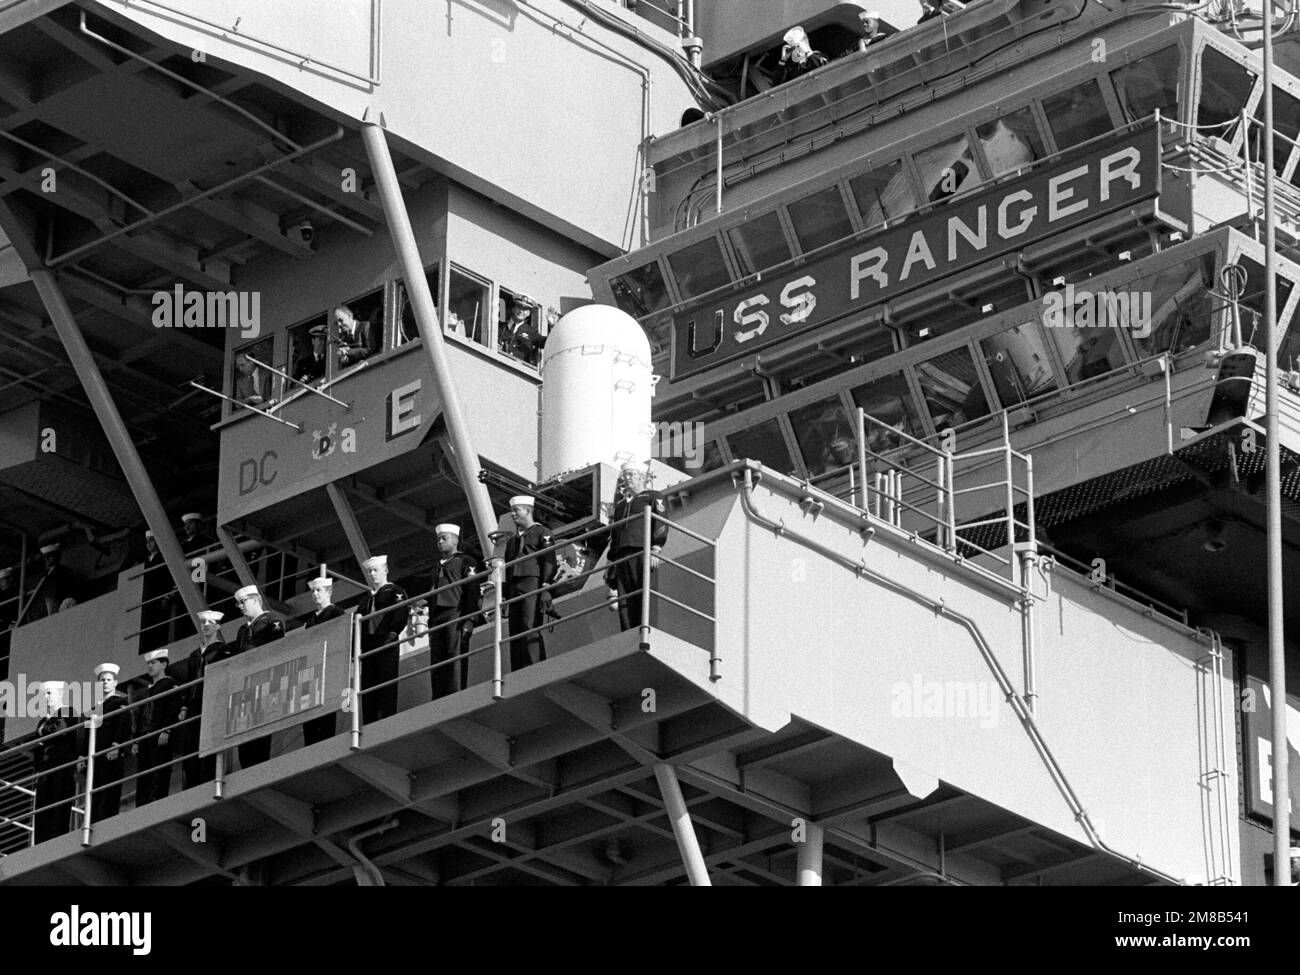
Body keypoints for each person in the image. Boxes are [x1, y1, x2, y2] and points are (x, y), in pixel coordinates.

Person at [605, 465, 669, 633]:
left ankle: (646, 629)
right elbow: (615, 533)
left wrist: (656, 547)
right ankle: (628, 632)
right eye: (625, 475)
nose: (627, 478)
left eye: (631, 474)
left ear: (642, 477)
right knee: (625, 597)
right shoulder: (620, 506)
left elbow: (660, 522)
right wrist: (610, 560)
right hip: (621, 555)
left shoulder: (653, 496)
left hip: (641, 550)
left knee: (643, 592)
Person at [230, 585, 286, 768]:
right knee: (244, 725)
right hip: (245, 685)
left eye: (243, 602)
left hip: (264, 680)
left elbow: (276, 649)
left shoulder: (272, 621)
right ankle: (246, 764)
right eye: (239, 603)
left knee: (260, 725)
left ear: (255, 600)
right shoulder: (243, 631)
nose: (240, 606)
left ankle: (259, 764)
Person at [176, 610, 229, 789]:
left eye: (210, 622)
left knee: (208, 740)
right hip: (193, 703)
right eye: (203, 622)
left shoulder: (222, 650)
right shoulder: (194, 654)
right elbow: (189, 680)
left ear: (217, 626)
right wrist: (184, 706)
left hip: (211, 700)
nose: (206, 625)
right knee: (190, 743)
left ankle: (206, 780)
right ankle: (190, 783)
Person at [428, 525, 482, 700]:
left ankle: (456, 694)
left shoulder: (466, 561)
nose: (440, 542)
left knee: (455, 655)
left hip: (455, 612)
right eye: (438, 539)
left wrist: (470, 619)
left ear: (456, 540)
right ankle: (438, 697)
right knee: (437, 659)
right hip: (437, 616)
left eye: (444, 538)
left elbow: (472, 590)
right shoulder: (437, 566)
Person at [503, 496, 556, 673]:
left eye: (516, 510)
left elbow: (548, 560)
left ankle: (534, 667)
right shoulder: (511, 542)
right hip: (514, 587)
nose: (513, 514)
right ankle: (518, 670)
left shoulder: (542, 532)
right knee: (515, 631)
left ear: (528, 510)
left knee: (529, 625)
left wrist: (546, 586)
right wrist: (504, 595)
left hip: (531, 582)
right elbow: (507, 569)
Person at [358, 555, 408, 723]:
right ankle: (369, 721)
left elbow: (400, 612)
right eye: (370, 571)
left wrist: (393, 633)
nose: (372, 574)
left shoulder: (396, 591)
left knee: (386, 682)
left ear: (385, 570)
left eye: (375, 570)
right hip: (369, 645)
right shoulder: (366, 600)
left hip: (385, 641)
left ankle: (387, 718)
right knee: (368, 685)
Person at [32, 681, 79, 843]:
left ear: (60, 694)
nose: (46, 697)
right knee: (43, 806)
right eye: (44, 694)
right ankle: (40, 842)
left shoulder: (68, 712)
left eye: (49, 693)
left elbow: (60, 729)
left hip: (62, 764)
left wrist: (43, 732)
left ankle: (56, 839)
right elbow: (37, 744)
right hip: (45, 768)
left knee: (60, 803)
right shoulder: (43, 720)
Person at [301, 576, 345, 746]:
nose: (315, 594)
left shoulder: (336, 613)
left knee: (326, 709)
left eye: (318, 590)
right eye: (313, 591)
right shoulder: (310, 621)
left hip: (329, 667)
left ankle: (325, 741)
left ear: (329, 592)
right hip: (312, 671)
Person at [135, 649, 182, 806]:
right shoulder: (148, 690)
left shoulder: (169, 684)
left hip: (159, 733)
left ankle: (157, 802)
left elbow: (173, 709)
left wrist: (167, 730)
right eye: (148, 663)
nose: (149, 666)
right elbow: (141, 717)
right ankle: (141, 805)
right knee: (143, 774)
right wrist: (136, 740)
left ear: (163, 664)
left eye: (153, 662)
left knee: (159, 771)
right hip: (145, 735)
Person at [90, 662, 131, 822]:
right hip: (96, 754)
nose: (105, 682)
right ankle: (93, 821)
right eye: (102, 680)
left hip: (111, 751)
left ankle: (107, 820)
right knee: (95, 791)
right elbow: (87, 733)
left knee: (110, 789)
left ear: (115, 683)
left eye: (108, 680)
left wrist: (117, 744)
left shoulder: (119, 702)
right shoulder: (95, 708)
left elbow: (124, 724)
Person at [500, 296, 546, 366]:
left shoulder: (531, 332)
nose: (521, 311)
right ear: (514, 309)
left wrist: (553, 326)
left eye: (525, 309)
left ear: (528, 313)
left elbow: (544, 342)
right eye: (519, 307)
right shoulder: (501, 326)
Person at [37, 543, 77, 617]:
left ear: (57, 556)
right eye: (44, 557)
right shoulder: (42, 576)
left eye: (49, 556)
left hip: (62, 606)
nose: (46, 559)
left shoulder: (65, 572)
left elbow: (70, 591)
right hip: (47, 609)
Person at [334, 304, 379, 370]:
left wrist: (347, 351)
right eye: (336, 323)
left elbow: (371, 349)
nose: (339, 325)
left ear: (349, 316)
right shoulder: (343, 338)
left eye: (341, 320)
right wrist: (344, 358)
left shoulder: (365, 326)